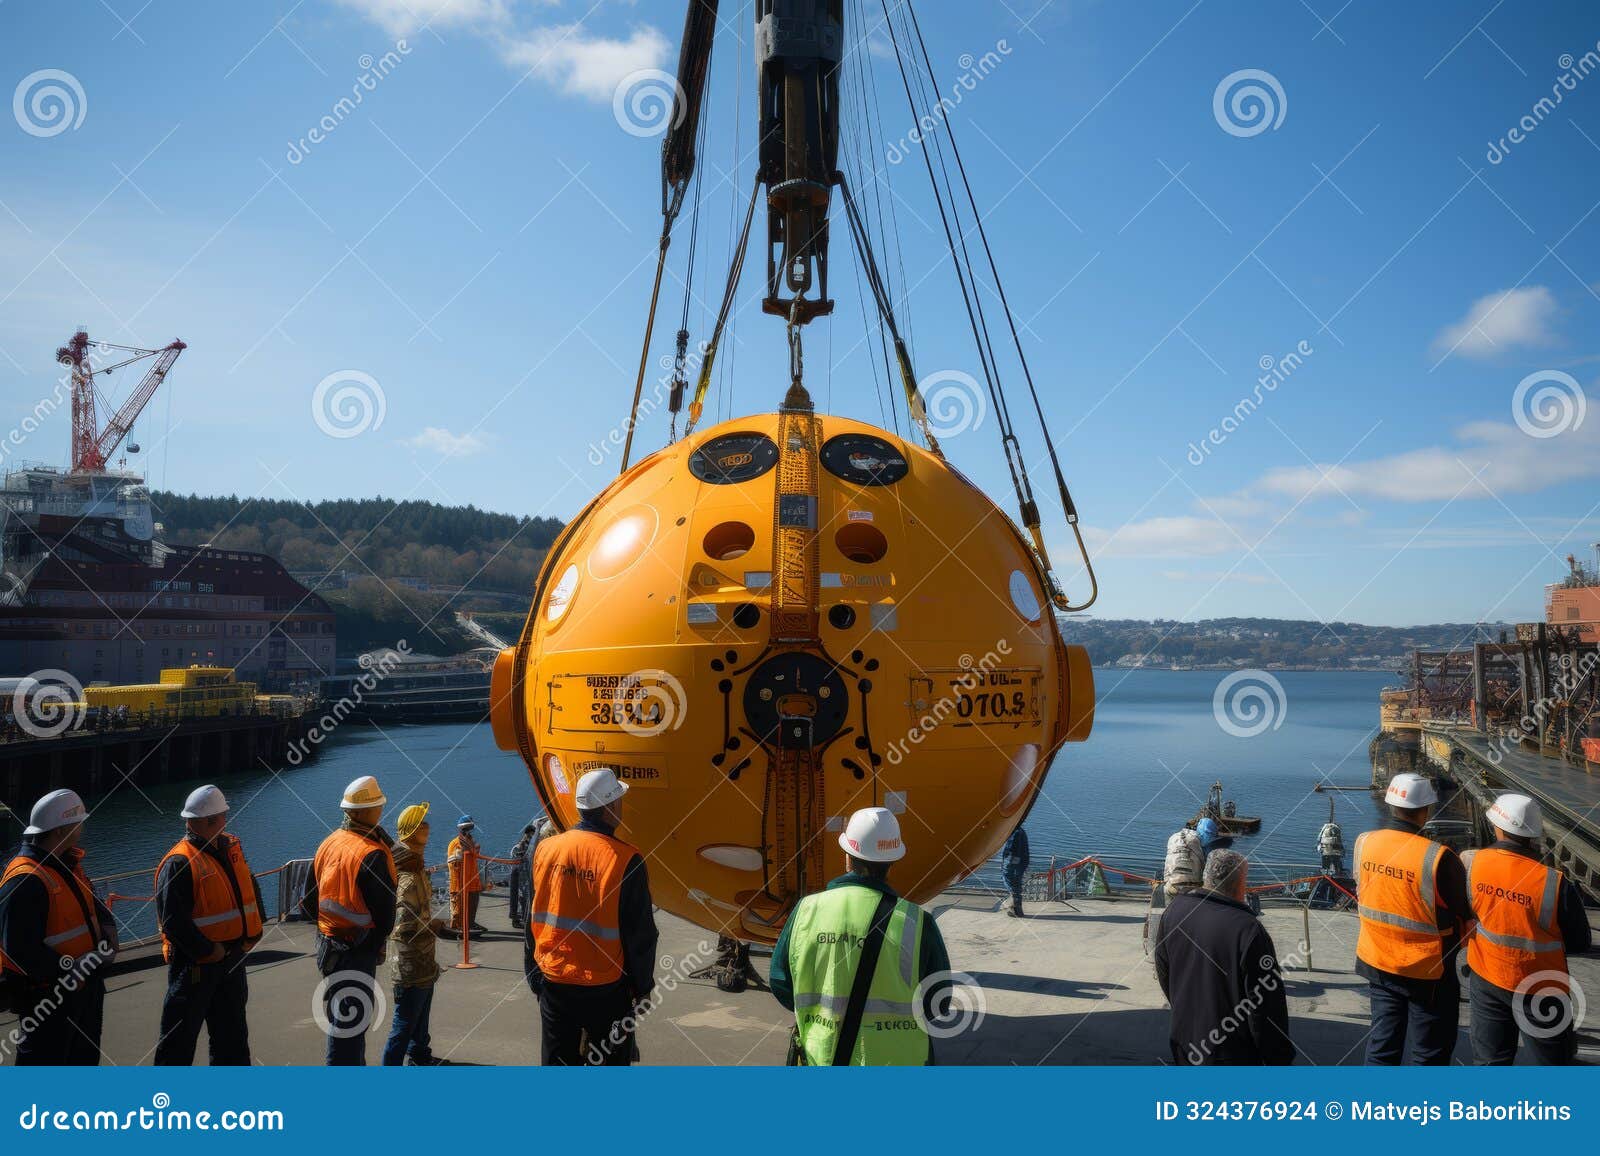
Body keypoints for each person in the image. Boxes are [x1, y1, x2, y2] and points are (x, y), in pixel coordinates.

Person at [770, 807, 954, 1065]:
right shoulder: (917, 921)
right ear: (892, 861)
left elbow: (781, 983)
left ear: (848, 856)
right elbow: (939, 1002)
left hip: (821, 1057)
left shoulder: (806, 911)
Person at [528, 769, 658, 1066]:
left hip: (555, 979)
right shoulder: (624, 859)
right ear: (611, 808)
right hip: (606, 988)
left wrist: (532, 972)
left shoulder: (546, 848)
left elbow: (531, 915)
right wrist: (642, 988)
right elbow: (640, 934)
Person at [1464, 793, 1591, 1065]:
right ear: (1532, 836)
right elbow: (1580, 942)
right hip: (1542, 987)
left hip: (1487, 978)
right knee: (1553, 1065)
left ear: (1497, 827)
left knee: (1490, 1063)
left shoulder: (1474, 864)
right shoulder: (1554, 883)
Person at [1354, 772, 1469, 1065]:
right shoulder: (1438, 857)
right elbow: (1465, 913)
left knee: (1382, 1048)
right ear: (1426, 810)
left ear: (1390, 804)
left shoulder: (1364, 842)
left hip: (1377, 960)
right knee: (1428, 1054)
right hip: (1427, 971)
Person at [0, 789, 116, 1065]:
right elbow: (18, 949)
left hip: (81, 991)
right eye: (78, 823)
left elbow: (92, 907)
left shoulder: (65, 865)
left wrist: (108, 932)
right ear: (62, 829)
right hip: (49, 998)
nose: (82, 828)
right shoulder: (26, 879)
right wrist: (69, 967)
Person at [153, 785, 263, 1066]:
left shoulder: (228, 849)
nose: (226, 820)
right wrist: (207, 951)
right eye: (223, 815)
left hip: (231, 959)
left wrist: (253, 933)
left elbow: (249, 889)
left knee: (232, 1038)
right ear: (208, 821)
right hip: (196, 967)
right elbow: (173, 922)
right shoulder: (180, 862)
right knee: (178, 1042)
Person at [1153, 848, 1292, 1065]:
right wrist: (1278, 1057)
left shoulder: (1175, 911)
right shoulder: (1249, 930)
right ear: (1240, 884)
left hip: (1185, 1043)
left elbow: (1164, 971)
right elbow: (1265, 1006)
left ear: (1206, 876)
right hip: (1233, 1054)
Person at [299, 775, 398, 1065]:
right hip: (358, 949)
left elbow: (307, 903)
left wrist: (329, 927)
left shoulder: (328, 843)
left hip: (329, 945)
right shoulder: (372, 853)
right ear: (369, 811)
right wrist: (377, 943)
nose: (381, 810)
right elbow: (384, 916)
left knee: (342, 1018)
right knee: (351, 1025)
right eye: (379, 805)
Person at [384, 801, 447, 1066]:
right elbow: (403, 924)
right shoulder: (408, 874)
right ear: (411, 832)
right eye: (423, 824)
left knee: (420, 1014)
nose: (429, 827)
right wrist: (434, 924)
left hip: (422, 959)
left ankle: (420, 1055)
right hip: (410, 962)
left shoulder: (414, 864)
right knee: (405, 1021)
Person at [447, 815, 485, 936]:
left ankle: (470, 923)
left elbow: (474, 859)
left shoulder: (471, 842)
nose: (468, 832)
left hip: (472, 880)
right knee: (458, 907)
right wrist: (459, 855)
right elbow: (451, 862)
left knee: (473, 903)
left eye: (470, 829)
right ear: (460, 830)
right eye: (466, 829)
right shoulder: (455, 844)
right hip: (459, 882)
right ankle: (458, 927)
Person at [508, 822, 538, 930]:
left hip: (526, 875)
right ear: (527, 834)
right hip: (519, 875)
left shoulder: (531, 846)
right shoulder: (520, 846)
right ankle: (517, 919)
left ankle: (523, 919)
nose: (531, 837)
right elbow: (517, 860)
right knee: (519, 896)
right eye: (530, 834)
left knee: (524, 897)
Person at [1163, 828, 1205, 901]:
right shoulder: (1196, 841)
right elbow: (1202, 866)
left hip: (1173, 886)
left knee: (1169, 898)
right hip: (1193, 889)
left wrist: (1166, 881)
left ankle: (1170, 910)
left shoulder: (1173, 839)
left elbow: (1167, 867)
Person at [1000, 824, 1030, 917]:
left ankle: (1015, 906)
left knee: (1008, 879)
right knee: (1016, 882)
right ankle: (1017, 909)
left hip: (1013, 860)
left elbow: (1009, 847)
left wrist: (1005, 856)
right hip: (1023, 860)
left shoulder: (1014, 832)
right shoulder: (1022, 831)